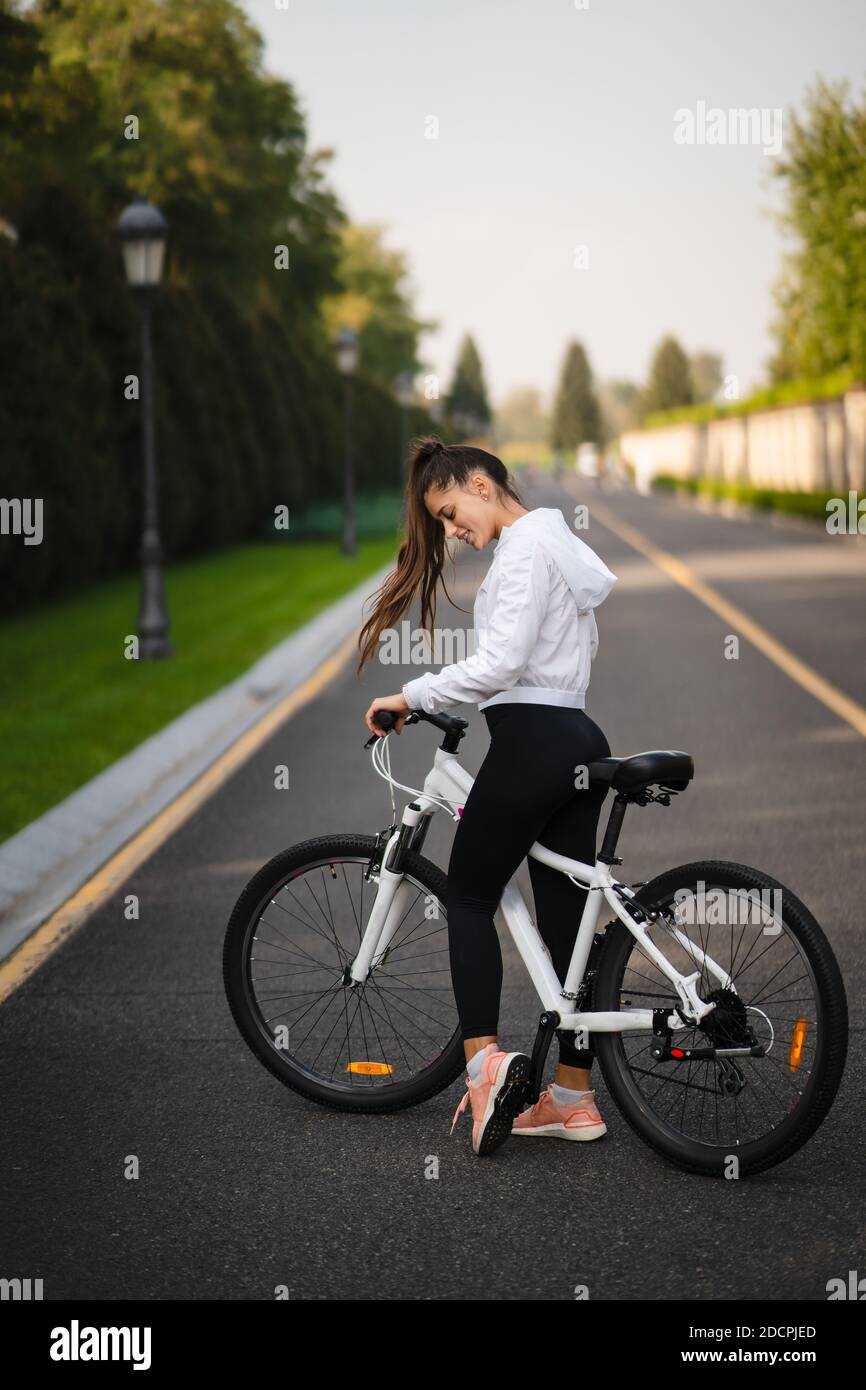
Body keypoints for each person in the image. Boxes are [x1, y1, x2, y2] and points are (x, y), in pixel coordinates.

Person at [357, 436, 618, 1157]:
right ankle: (571, 1099)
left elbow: (501, 663)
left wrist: (408, 694)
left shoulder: (525, 549)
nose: (450, 531)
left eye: (449, 512)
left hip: (534, 744)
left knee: (469, 896)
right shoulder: (553, 544)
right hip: (575, 739)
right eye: (440, 522)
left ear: (481, 482)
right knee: (566, 929)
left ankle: (484, 1071)